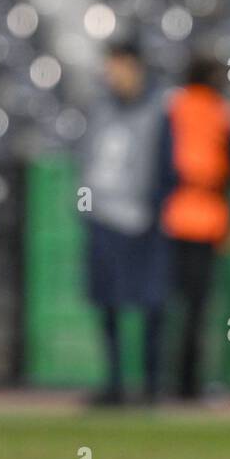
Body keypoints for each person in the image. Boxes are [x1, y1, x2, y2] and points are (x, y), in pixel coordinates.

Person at [80, 40, 173, 406]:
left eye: (117, 66)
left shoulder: (159, 108)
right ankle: (115, 384)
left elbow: (165, 164)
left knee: (152, 304)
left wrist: (156, 207)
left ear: (135, 66)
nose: (111, 76)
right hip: (103, 216)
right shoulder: (99, 107)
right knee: (107, 304)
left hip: (142, 218)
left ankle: (151, 385)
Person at [161, 54, 230, 401]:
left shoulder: (172, 108)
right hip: (208, 218)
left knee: (164, 305)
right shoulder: (222, 113)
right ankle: (190, 386)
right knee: (198, 310)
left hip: (168, 217)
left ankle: (159, 382)